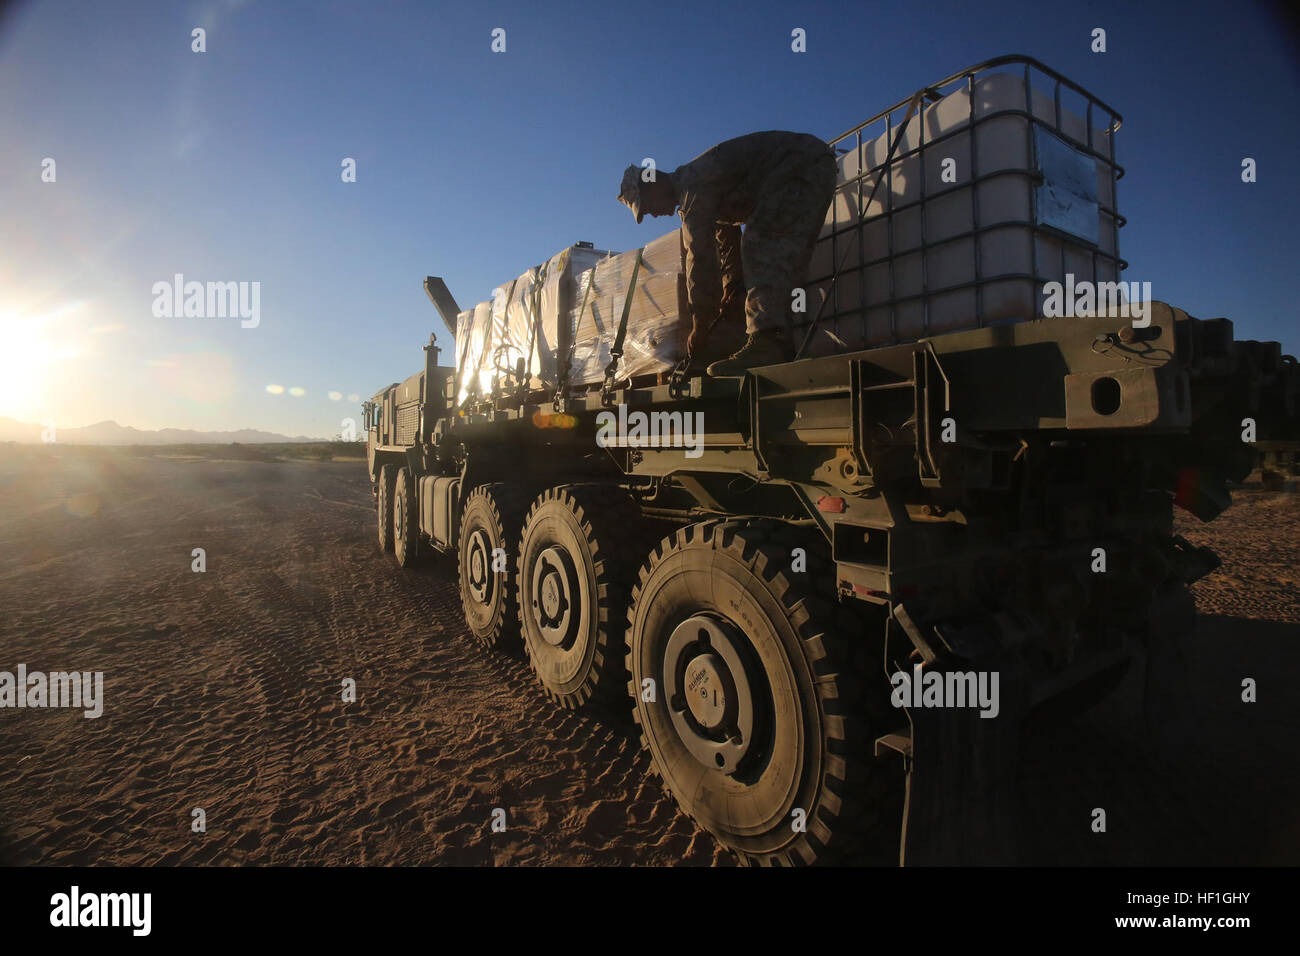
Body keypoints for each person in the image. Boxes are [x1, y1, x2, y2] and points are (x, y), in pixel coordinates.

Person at [617, 131, 836, 376]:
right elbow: (727, 241)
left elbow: (700, 256)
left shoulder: (692, 188)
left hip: (800, 166)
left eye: (647, 207)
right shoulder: (701, 192)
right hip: (808, 165)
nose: (653, 215)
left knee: (759, 241)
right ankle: (781, 343)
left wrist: (699, 324)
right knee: (780, 260)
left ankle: (767, 343)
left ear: (654, 183)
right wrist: (732, 286)